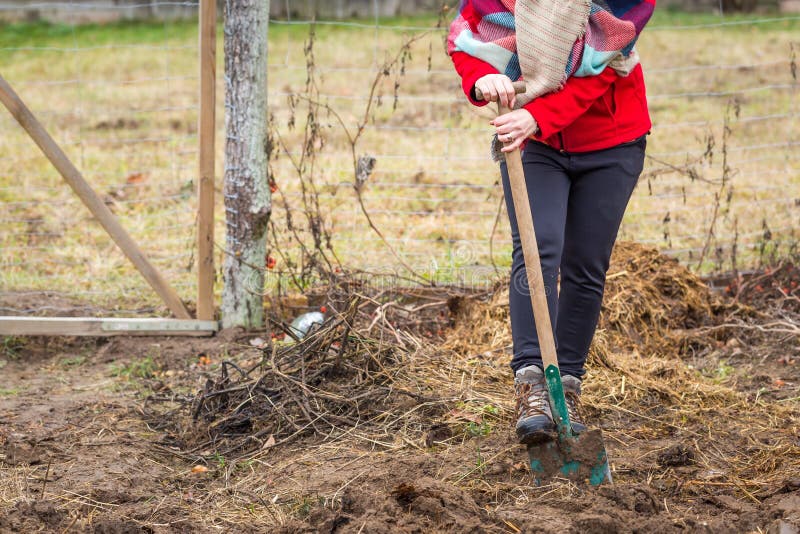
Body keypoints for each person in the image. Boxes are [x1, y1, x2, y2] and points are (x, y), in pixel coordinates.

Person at [448, 0, 655, 444]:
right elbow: (467, 36)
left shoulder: (617, 6)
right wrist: (481, 77)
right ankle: (533, 388)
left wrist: (538, 115)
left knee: (585, 265)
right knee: (537, 248)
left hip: (611, 142)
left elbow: (601, 69)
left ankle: (569, 386)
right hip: (534, 145)